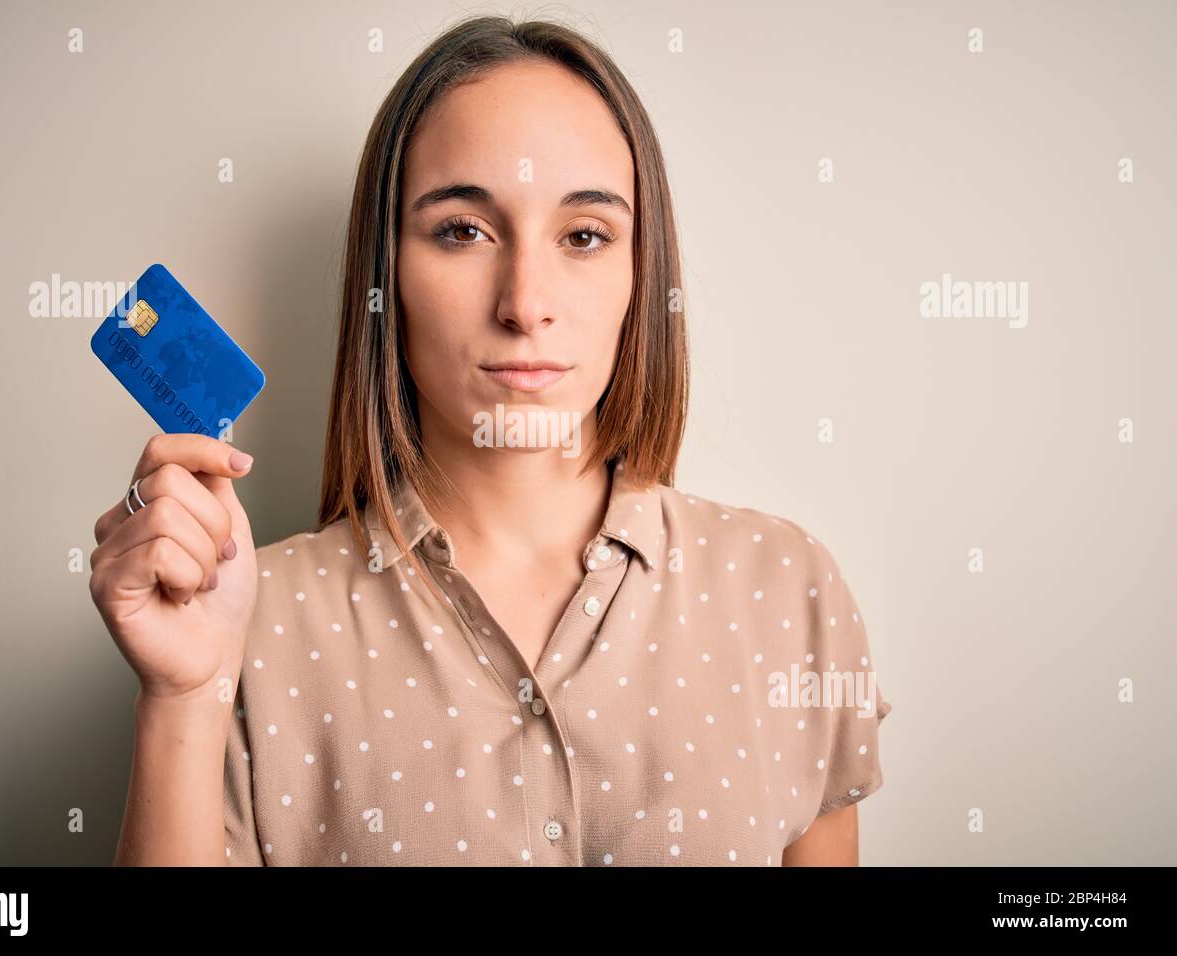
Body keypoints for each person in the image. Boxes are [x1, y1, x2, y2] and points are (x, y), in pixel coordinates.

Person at [90, 14, 890, 867]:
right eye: (462, 230)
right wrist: (182, 695)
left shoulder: (787, 591)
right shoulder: (248, 621)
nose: (525, 302)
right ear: (385, 277)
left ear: (640, 275)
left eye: (584, 235)